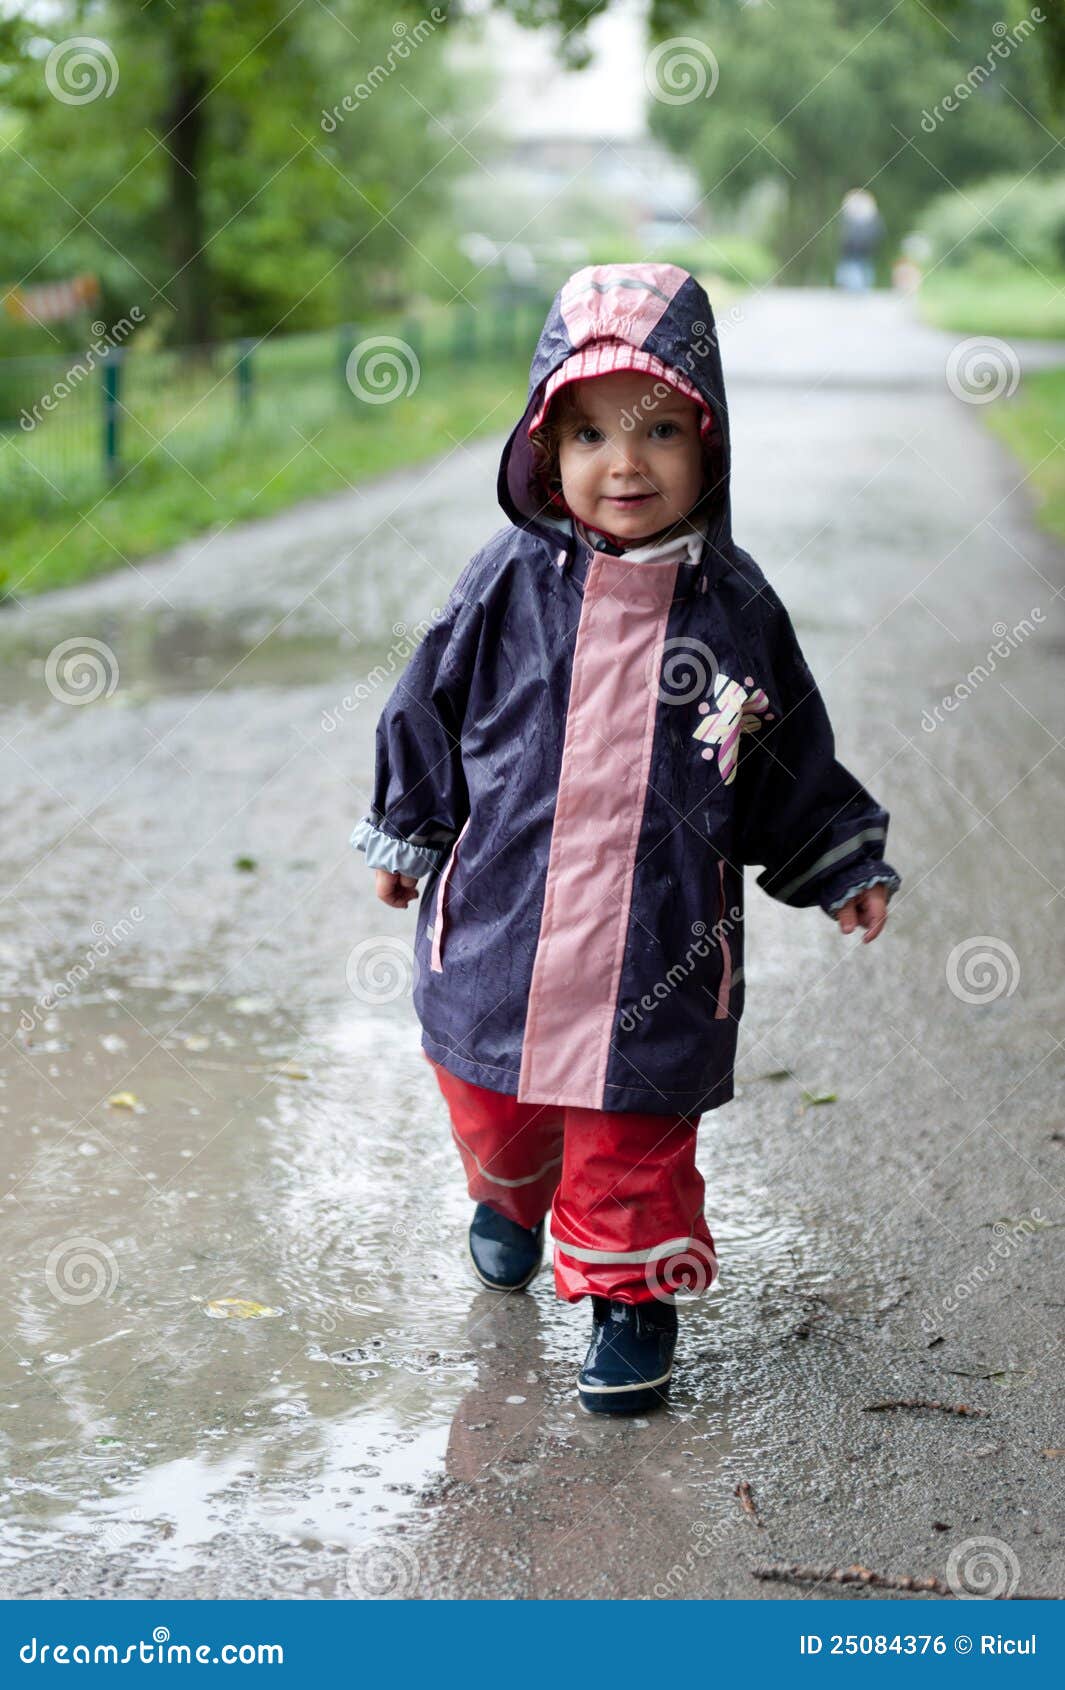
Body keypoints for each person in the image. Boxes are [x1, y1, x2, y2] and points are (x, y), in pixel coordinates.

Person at [350, 262, 901, 1417]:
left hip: (662, 946)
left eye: (660, 429)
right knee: (492, 1101)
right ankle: (508, 1197)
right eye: (590, 432)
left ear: (709, 445)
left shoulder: (735, 608)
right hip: (503, 924)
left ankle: (631, 1297)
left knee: (632, 1133)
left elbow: (786, 753)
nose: (626, 462)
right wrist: (408, 824)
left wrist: (837, 853)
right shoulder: (505, 585)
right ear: (546, 449)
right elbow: (428, 707)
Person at [835, 188, 885, 291]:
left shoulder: (871, 217)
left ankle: (860, 288)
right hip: (850, 250)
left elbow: (878, 232)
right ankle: (848, 286)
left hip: (863, 250)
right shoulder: (849, 217)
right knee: (850, 267)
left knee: (862, 268)